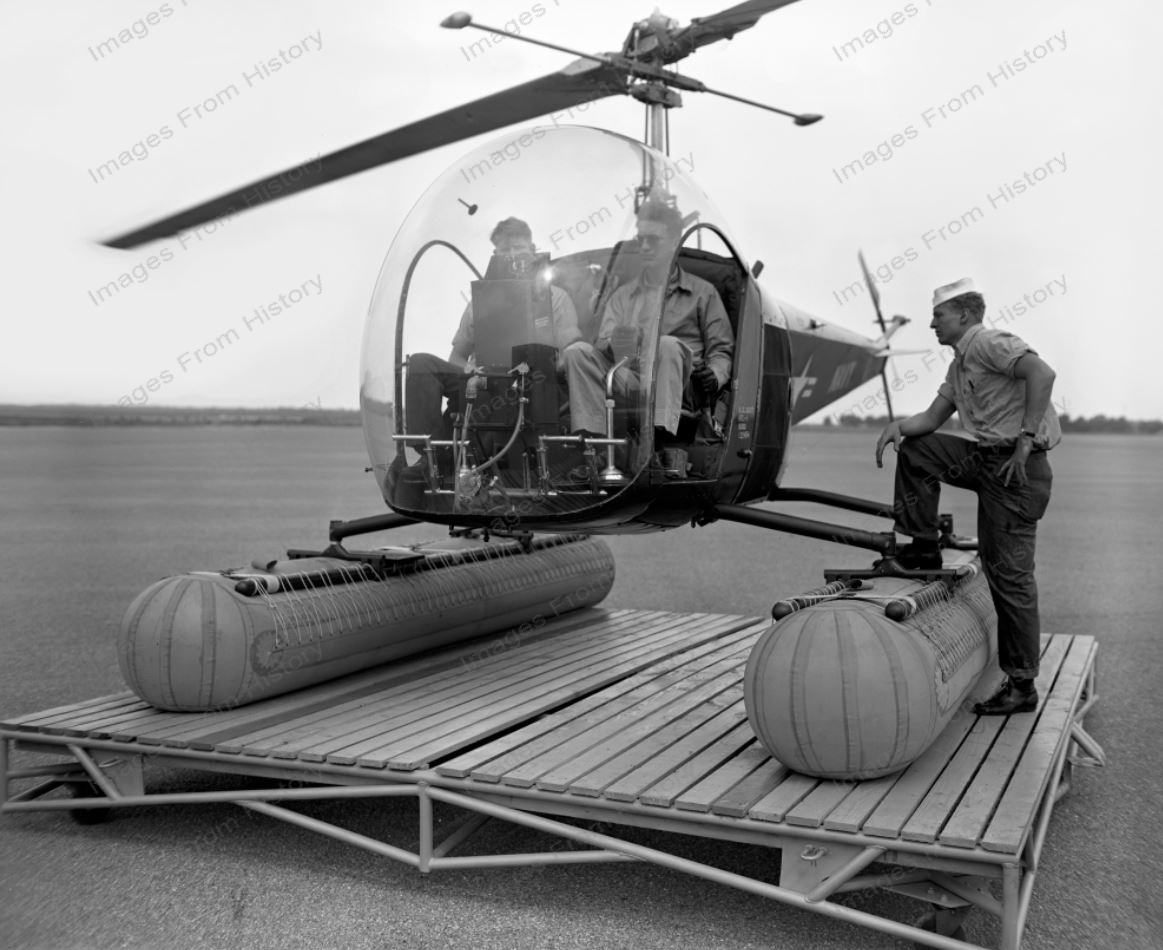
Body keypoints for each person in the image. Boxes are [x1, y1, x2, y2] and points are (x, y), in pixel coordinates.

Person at [874, 277, 1060, 716]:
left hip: (1016, 468)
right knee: (917, 450)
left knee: (1009, 577)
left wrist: (1027, 438)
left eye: (938, 315)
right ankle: (922, 548)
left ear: (963, 315)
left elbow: (1042, 373)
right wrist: (898, 427)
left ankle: (1022, 685)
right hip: (985, 460)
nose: (931, 322)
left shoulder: (988, 342)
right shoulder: (959, 366)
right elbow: (933, 418)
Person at [560, 199, 734, 465]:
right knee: (577, 352)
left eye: (653, 240)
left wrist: (716, 375)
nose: (644, 246)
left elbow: (722, 349)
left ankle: (657, 448)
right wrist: (613, 344)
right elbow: (601, 344)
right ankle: (593, 449)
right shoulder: (622, 296)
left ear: (675, 241)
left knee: (666, 345)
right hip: (631, 378)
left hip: (682, 384)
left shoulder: (702, 294)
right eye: (640, 239)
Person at [405, 217, 582, 440]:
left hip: (535, 386)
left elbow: (570, 354)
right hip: (481, 381)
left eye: (518, 247)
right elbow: (457, 356)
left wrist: (539, 368)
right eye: (505, 250)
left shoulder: (555, 298)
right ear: (495, 256)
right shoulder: (480, 302)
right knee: (421, 364)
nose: (513, 255)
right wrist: (471, 371)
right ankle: (431, 450)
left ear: (534, 250)